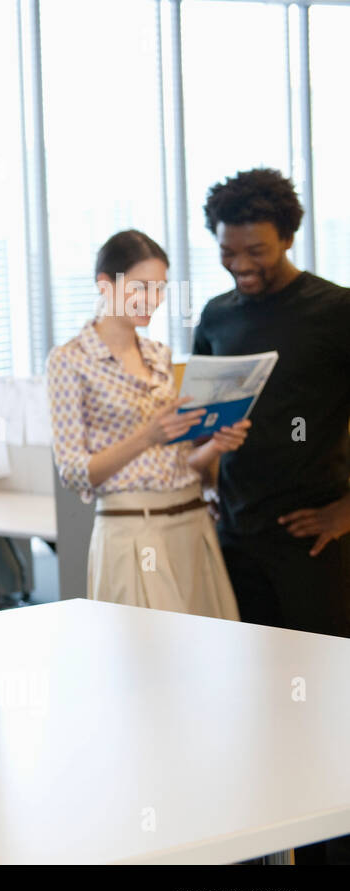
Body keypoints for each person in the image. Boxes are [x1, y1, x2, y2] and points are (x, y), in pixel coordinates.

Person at [46, 230, 248, 617]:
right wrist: (147, 435)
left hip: (192, 523)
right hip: (133, 531)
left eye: (160, 289)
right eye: (141, 287)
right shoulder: (69, 360)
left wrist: (215, 446)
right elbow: (74, 472)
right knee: (148, 665)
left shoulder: (159, 355)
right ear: (105, 284)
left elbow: (177, 461)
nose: (153, 301)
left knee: (212, 659)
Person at [192, 168, 350, 639]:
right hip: (235, 534)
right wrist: (207, 481)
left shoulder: (336, 311)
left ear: (287, 237)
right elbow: (204, 417)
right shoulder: (217, 317)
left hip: (314, 536)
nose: (240, 263)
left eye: (256, 251)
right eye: (227, 252)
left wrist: (346, 512)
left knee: (325, 679)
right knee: (253, 676)